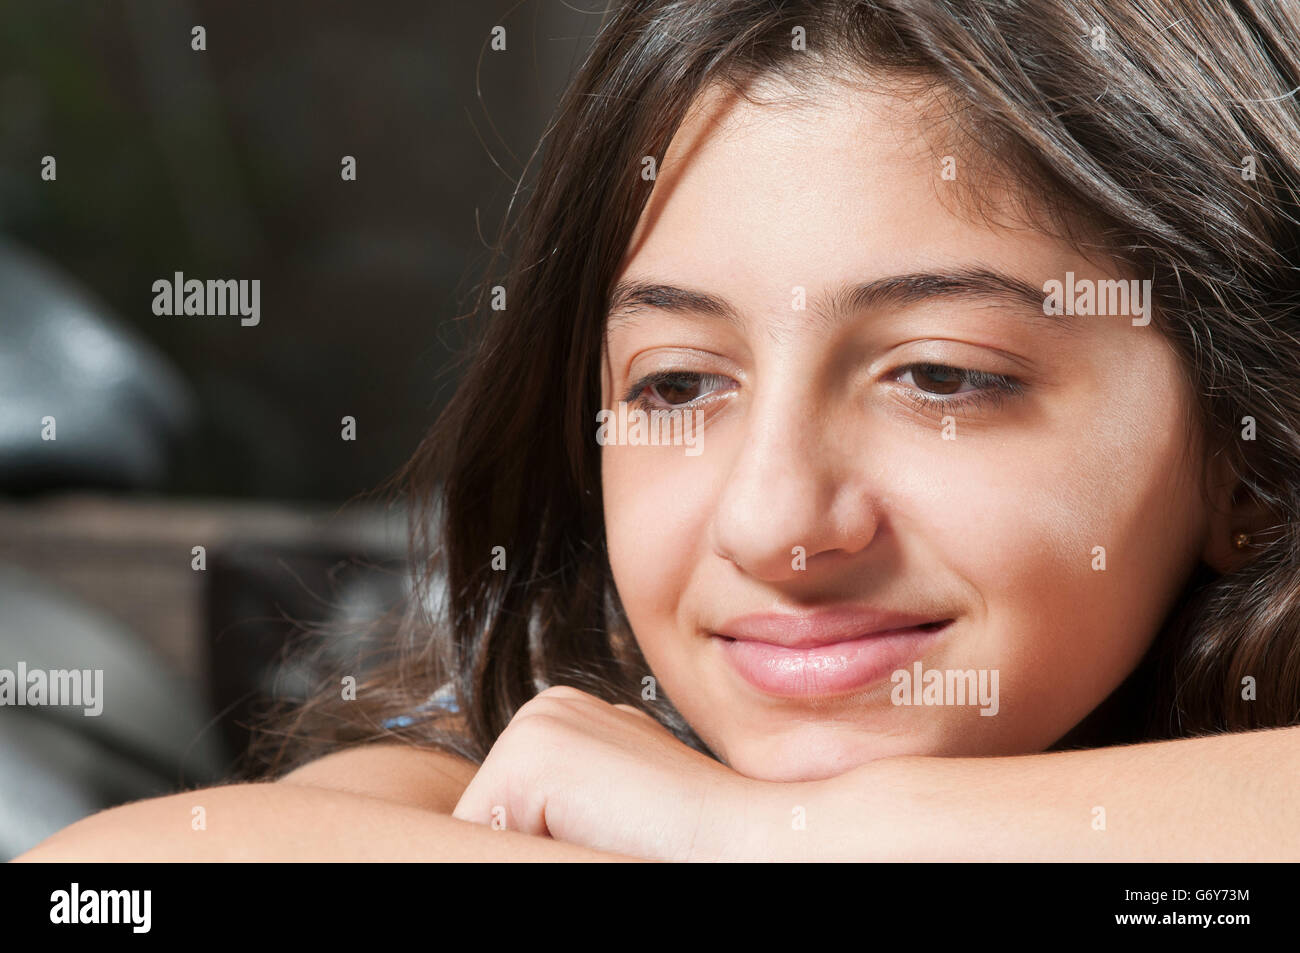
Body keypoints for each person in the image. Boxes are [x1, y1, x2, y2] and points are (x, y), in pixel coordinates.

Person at [18, 0, 1300, 861]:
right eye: (677, 385)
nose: (773, 518)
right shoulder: (526, 773)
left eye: (941, 376)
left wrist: (756, 832)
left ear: (1243, 454)